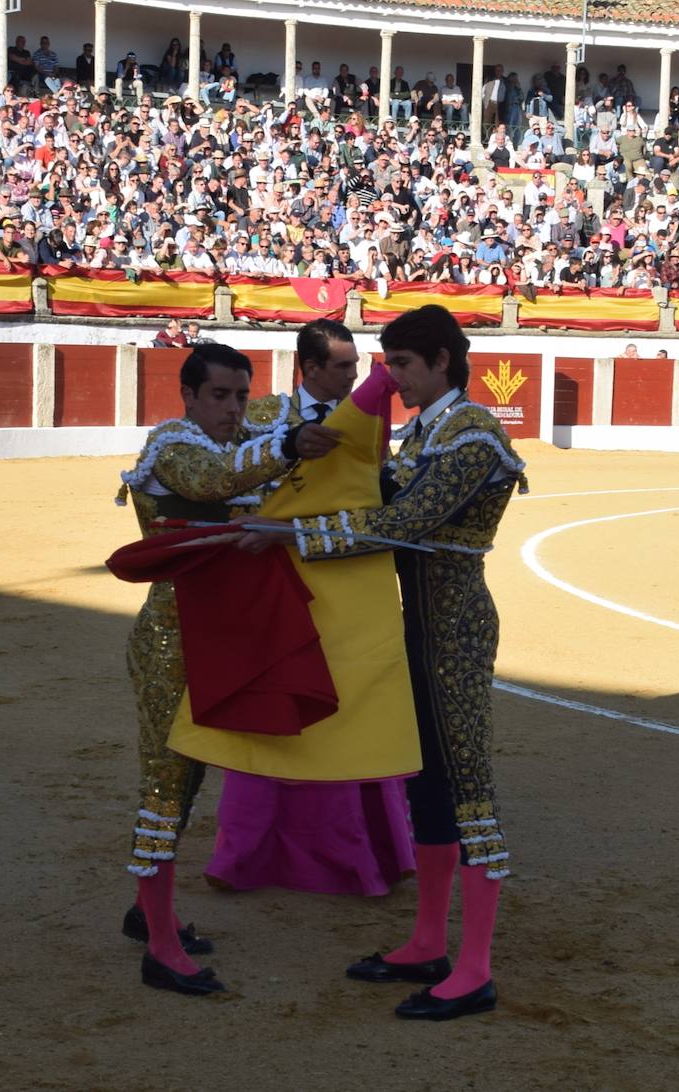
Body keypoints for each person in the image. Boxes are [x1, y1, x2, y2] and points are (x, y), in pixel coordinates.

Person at [240, 305, 527, 1021]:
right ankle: (428, 941)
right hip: (414, 628)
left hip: (455, 632)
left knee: (467, 785)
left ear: (439, 360)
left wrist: (291, 534)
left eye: (400, 363)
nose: (391, 378)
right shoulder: (426, 430)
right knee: (426, 783)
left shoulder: (474, 435)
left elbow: (403, 522)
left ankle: (476, 970)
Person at [114, 343, 340, 996]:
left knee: (187, 784)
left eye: (241, 395)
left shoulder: (247, 440)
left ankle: (147, 912)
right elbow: (213, 481)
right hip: (171, 641)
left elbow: (283, 450)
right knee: (166, 784)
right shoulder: (172, 443)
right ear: (188, 396)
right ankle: (161, 948)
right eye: (219, 396)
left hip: (224, 640)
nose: (234, 408)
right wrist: (290, 443)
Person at [205, 320, 415, 896]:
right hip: (274, 581)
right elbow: (227, 483)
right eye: (342, 366)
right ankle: (252, 850)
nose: (353, 376)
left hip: (344, 583)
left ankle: (353, 847)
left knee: (349, 706)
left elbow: (369, 496)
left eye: (356, 366)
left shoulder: (367, 420)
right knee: (274, 699)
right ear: (311, 367)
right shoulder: (264, 416)